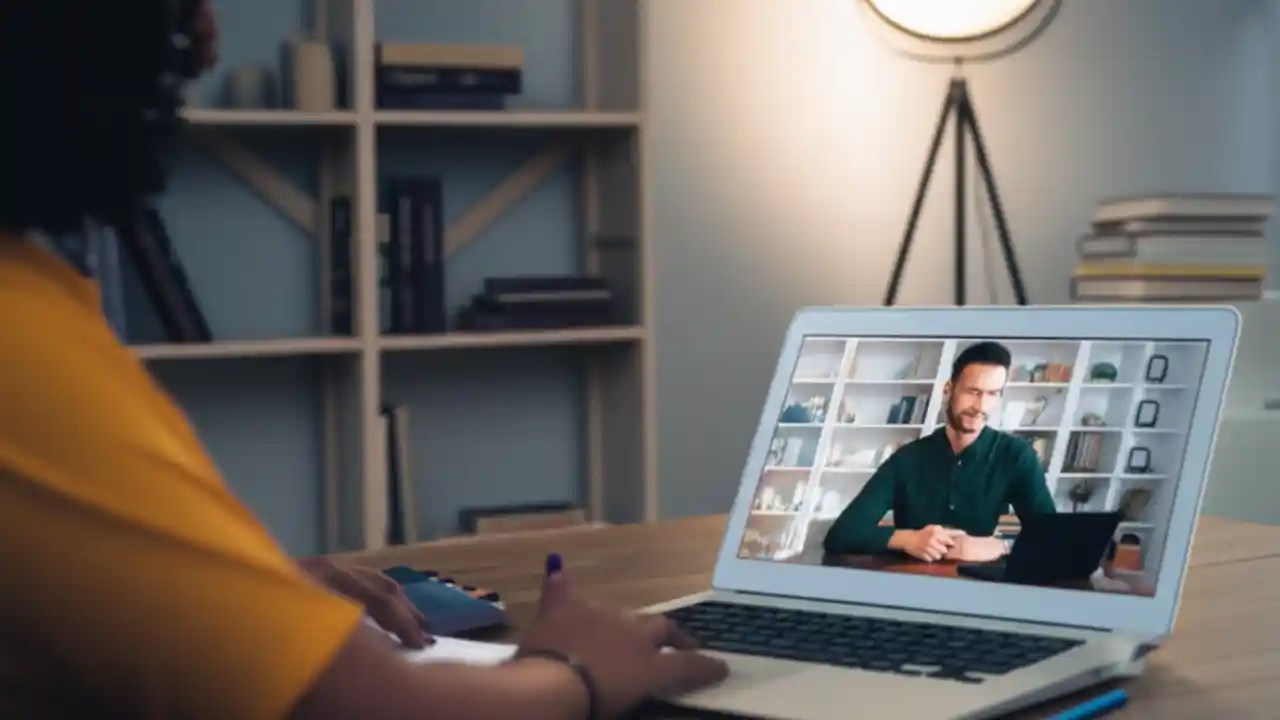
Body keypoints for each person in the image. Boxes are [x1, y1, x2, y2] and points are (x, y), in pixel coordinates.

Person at [0, 2, 727, 718]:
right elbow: (367, 709)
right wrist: (577, 669)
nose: (207, 47)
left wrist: (242, 601)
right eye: (175, 9)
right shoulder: (25, 353)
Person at [822, 341, 1056, 562]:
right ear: (949, 389)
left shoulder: (1017, 456)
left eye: (992, 393)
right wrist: (908, 539)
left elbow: (1052, 538)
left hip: (978, 588)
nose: (981, 407)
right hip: (910, 584)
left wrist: (1002, 546)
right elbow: (841, 535)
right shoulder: (907, 459)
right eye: (973, 392)